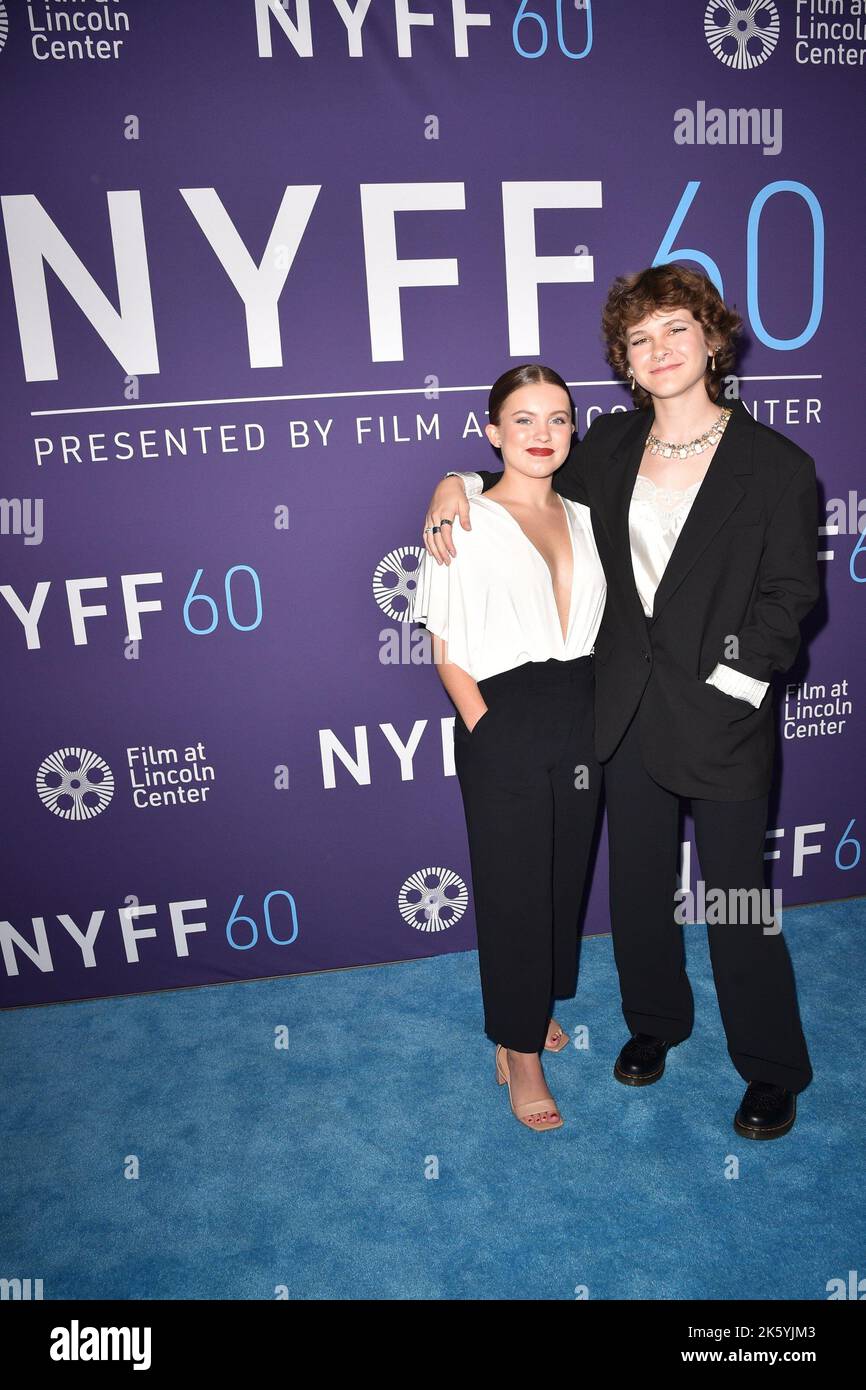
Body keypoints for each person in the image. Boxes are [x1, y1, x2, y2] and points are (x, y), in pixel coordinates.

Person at [423, 264, 819, 1140]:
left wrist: (736, 686)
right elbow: (524, 470)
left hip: (723, 718)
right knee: (639, 890)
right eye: (639, 340)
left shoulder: (776, 466)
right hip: (623, 713)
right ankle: (657, 1022)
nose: (659, 349)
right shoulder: (607, 446)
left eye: (676, 329)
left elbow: (791, 595)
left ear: (712, 340)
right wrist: (451, 481)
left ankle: (771, 1064)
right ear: (626, 363)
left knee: (736, 902)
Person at [411, 364, 606, 1132]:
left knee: (562, 882)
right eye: (522, 420)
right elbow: (446, 650)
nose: (541, 435)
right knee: (515, 890)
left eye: (557, 419)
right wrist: (486, 729)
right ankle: (517, 1050)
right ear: (492, 433)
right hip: (504, 718)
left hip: (585, 714)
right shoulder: (462, 519)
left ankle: (532, 1007)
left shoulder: (587, 516)